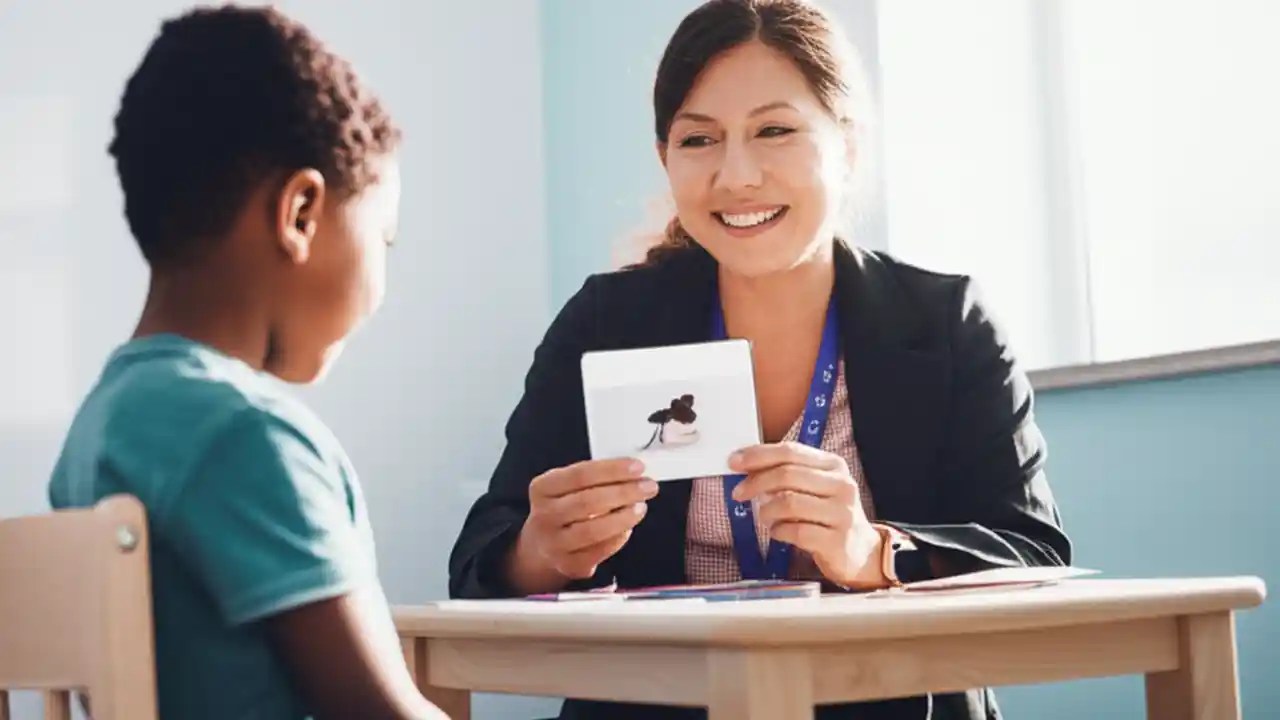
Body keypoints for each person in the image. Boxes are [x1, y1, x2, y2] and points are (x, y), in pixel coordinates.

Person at [450, 0, 1070, 717]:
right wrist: (541, 549)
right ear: (665, 159)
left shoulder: (947, 322)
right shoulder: (606, 322)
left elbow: (1034, 555)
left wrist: (874, 553)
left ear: (848, 146)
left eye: (774, 131)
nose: (736, 176)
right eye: (699, 140)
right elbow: (478, 561)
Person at [48, 6, 447, 719]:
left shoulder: (100, 427)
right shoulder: (244, 438)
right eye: (383, 241)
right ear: (300, 213)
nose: (383, 283)